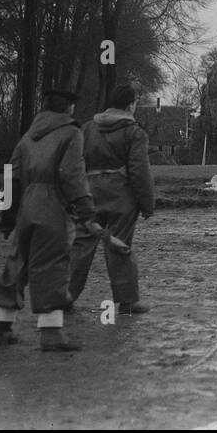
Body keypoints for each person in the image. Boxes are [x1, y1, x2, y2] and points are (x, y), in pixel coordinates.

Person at [0, 87, 96, 353]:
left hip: (26, 204)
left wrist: (8, 217)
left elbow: (11, 177)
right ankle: (51, 334)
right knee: (51, 266)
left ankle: (2, 328)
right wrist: (85, 207)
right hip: (53, 206)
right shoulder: (72, 133)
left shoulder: (27, 138)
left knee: (17, 263)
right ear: (68, 108)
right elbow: (71, 174)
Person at [68, 83, 154, 314]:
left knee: (81, 244)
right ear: (130, 104)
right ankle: (127, 301)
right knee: (119, 245)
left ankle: (65, 296)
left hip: (89, 193)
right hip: (121, 197)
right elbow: (139, 171)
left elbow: (75, 163)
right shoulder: (135, 133)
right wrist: (147, 204)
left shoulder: (87, 128)